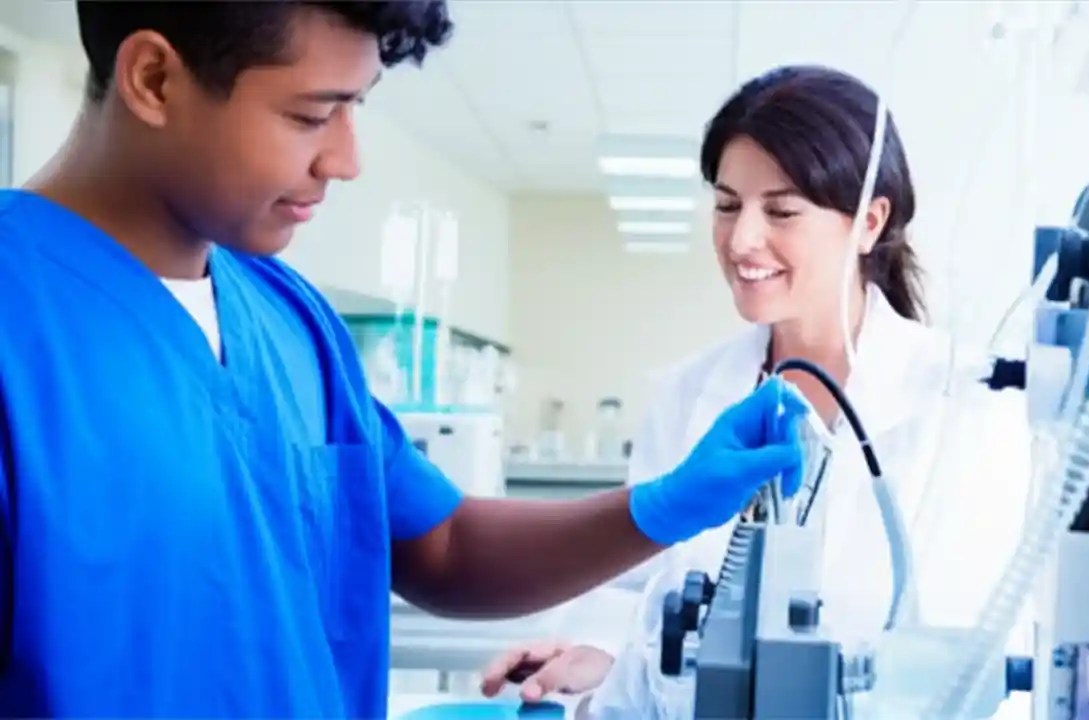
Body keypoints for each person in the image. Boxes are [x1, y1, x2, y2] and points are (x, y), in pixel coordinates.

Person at [0, 3, 813, 717]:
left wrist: (663, 508)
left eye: (357, 107)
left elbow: (444, 544)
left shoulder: (290, 320)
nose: (346, 159)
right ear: (154, 79)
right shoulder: (20, 323)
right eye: (312, 115)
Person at [480, 65, 1032, 718]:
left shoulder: (969, 403)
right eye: (726, 205)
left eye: (781, 210)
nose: (742, 239)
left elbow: (984, 635)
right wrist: (596, 650)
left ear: (869, 222)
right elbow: (641, 586)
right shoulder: (687, 395)